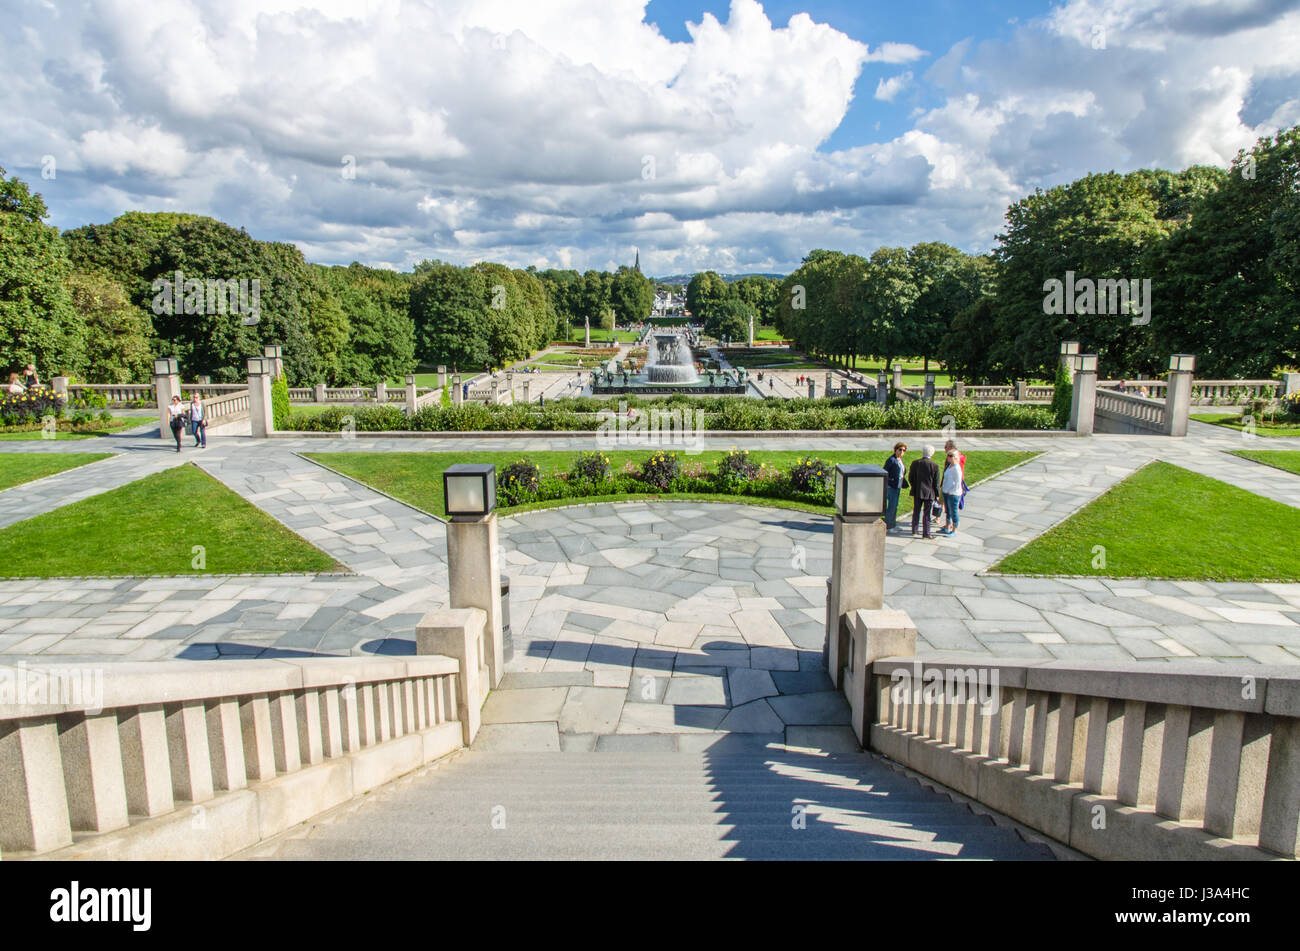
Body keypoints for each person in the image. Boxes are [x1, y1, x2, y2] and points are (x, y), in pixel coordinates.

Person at [907, 446, 942, 539]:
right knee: (927, 514)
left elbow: (910, 478)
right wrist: (937, 494)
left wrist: (914, 486)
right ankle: (926, 533)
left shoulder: (915, 463)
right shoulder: (934, 466)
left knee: (916, 511)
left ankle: (914, 530)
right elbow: (936, 482)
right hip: (929, 493)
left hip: (918, 491)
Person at [883, 442, 908, 531]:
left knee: (895, 506)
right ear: (895, 450)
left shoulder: (899, 459)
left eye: (903, 450)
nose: (901, 452)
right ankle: (888, 526)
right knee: (891, 507)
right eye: (900, 449)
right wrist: (891, 481)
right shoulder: (891, 460)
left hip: (898, 486)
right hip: (892, 487)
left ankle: (892, 524)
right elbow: (885, 472)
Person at [941, 449, 965, 535]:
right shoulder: (950, 466)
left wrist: (951, 491)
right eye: (948, 455)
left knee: (954, 511)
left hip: (953, 494)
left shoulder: (956, 468)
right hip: (946, 491)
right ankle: (947, 526)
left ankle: (954, 529)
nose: (948, 457)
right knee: (948, 511)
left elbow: (958, 483)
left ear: (955, 457)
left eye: (950, 456)